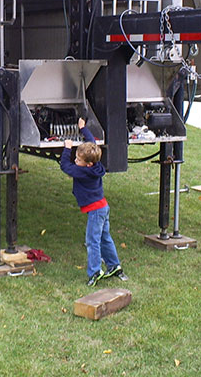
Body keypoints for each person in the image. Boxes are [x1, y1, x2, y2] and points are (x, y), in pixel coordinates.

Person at [61, 117, 127, 286]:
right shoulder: (95, 165)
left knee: (92, 241)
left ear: (88, 164)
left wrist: (67, 149)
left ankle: (95, 271)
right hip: (102, 207)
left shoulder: (83, 172)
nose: (75, 161)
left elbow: (65, 167)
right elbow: (92, 142)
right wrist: (83, 129)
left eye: (78, 160)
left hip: (96, 211)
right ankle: (114, 265)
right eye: (75, 157)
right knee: (105, 237)